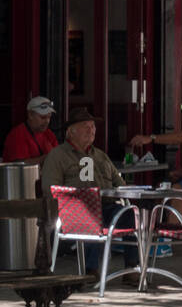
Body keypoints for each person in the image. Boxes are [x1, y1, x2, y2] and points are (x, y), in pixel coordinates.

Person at [41, 107, 132, 274]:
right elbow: (50, 190)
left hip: (106, 207)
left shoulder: (100, 155)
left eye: (93, 126)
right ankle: (91, 271)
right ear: (71, 132)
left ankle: (132, 269)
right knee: (90, 212)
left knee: (129, 213)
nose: (91, 130)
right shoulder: (58, 155)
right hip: (74, 210)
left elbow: (120, 184)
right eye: (86, 126)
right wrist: (78, 198)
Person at [0, 96, 57, 165]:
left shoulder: (49, 134)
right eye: (43, 117)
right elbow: (19, 164)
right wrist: (46, 158)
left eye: (49, 117)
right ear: (30, 115)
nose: (47, 121)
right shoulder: (18, 134)